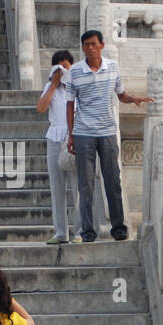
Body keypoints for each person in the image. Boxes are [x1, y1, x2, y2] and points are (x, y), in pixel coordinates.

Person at [63, 29, 152, 242]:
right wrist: (71, 134)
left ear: (101, 45)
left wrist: (134, 99)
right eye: (86, 45)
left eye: (94, 44)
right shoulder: (74, 71)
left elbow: (120, 94)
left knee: (113, 182)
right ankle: (87, 231)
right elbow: (69, 104)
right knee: (86, 184)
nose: (91, 48)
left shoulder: (113, 67)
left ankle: (119, 228)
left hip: (108, 132)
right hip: (84, 133)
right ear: (83, 47)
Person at [37, 50, 81, 244]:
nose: (64, 69)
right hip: (55, 137)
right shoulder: (50, 86)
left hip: (75, 136)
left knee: (78, 187)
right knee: (57, 187)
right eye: (60, 66)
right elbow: (41, 107)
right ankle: (61, 232)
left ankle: (81, 230)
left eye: (67, 65)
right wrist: (54, 85)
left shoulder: (78, 86)